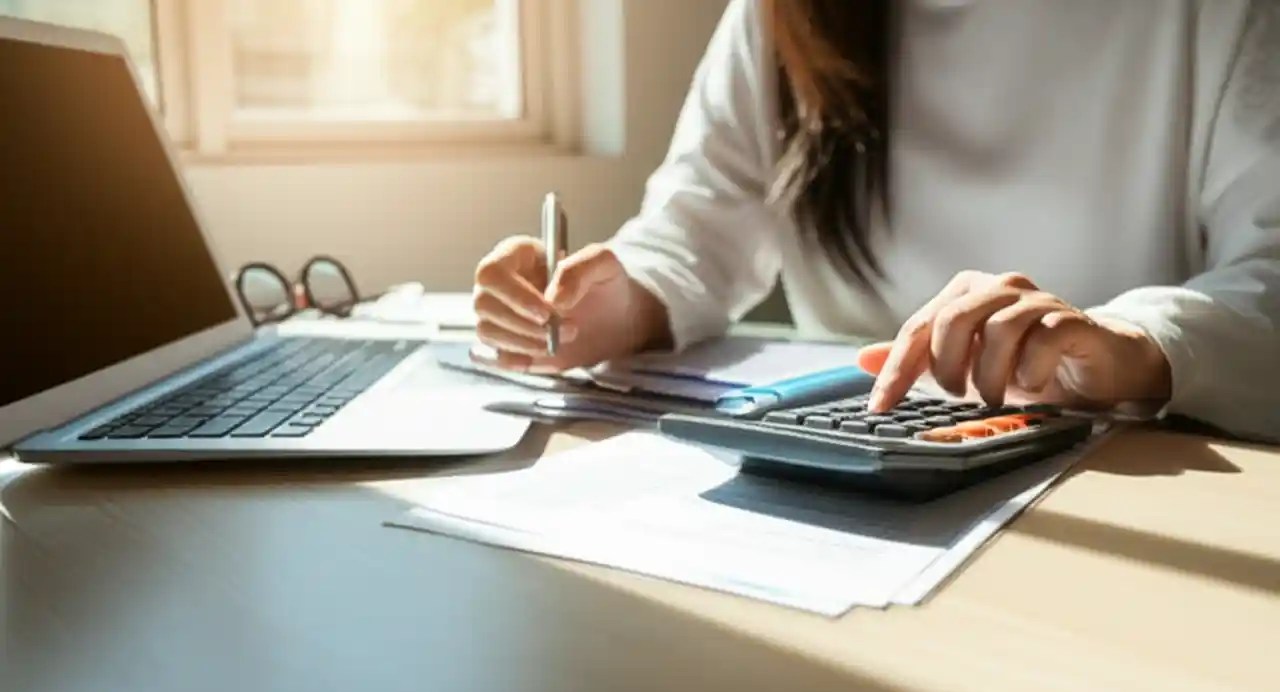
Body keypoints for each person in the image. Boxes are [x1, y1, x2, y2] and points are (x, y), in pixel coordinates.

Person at [471, 0, 1280, 441]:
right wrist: (603, 304)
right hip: (844, 461)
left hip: (1122, 467)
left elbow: (1269, 271)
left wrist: (1134, 344)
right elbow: (692, 233)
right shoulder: (782, 14)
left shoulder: (1219, 15)